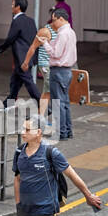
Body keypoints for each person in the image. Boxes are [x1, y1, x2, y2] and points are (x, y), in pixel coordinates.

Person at [0, 0, 40, 105]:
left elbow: (10, 38)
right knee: (14, 82)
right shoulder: (31, 21)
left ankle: (44, 105)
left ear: (18, 7)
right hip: (27, 58)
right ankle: (9, 102)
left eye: (12, 4)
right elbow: (34, 39)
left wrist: (0, 49)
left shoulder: (17, 21)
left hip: (22, 60)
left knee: (29, 83)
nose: (11, 6)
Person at [46, 8, 78, 140]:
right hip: (67, 70)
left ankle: (61, 132)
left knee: (57, 103)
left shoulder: (62, 34)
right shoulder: (71, 32)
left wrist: (45, 44)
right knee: (65, 102)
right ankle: (68, 131)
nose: (53, 24)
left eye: (54, 20)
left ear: (61, 19)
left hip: (58, 70)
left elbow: (56, 53)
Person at [23, 23, 53, 120]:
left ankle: (40, 116)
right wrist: (26, 62)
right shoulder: (45, 31)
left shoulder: (63, 30)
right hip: (45, 64)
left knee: (47, 91)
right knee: (49, 90)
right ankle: (40, 117)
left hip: (56, 65)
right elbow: (33, 47)